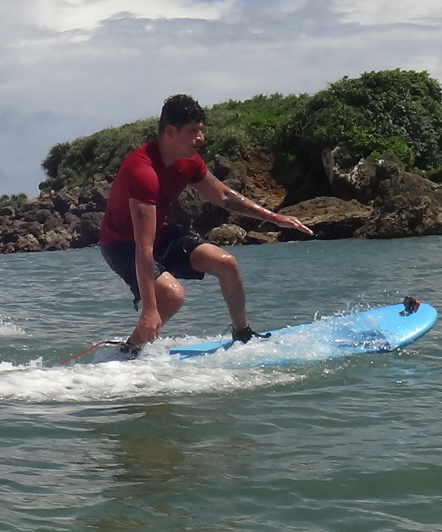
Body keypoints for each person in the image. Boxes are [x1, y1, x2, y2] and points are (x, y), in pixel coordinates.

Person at [99, 94, 313, 349]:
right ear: (170, 131)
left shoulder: (189, 160)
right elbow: (143, 248)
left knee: (226, 263)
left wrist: (276, 218)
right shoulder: (142, 171)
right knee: (171, 295)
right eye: (194, 131)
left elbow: (223, 195)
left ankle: (242, 333)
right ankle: (130, 351)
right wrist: (149, 308)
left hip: (160, 234)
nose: (202, 137)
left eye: (201, 130)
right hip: (123, 244)